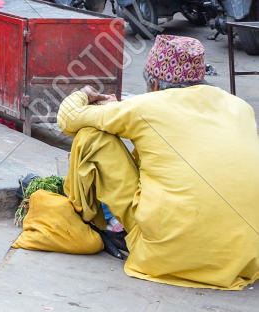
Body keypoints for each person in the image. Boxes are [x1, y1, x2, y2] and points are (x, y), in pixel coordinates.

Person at [57, 35, 259, 290]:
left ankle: (88, 220)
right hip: (243, 257)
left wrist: (86, 94)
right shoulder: (240, 107)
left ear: (153, 84)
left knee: (91, 137)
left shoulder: (145, 106)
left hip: (165, 253)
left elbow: (67, 119)